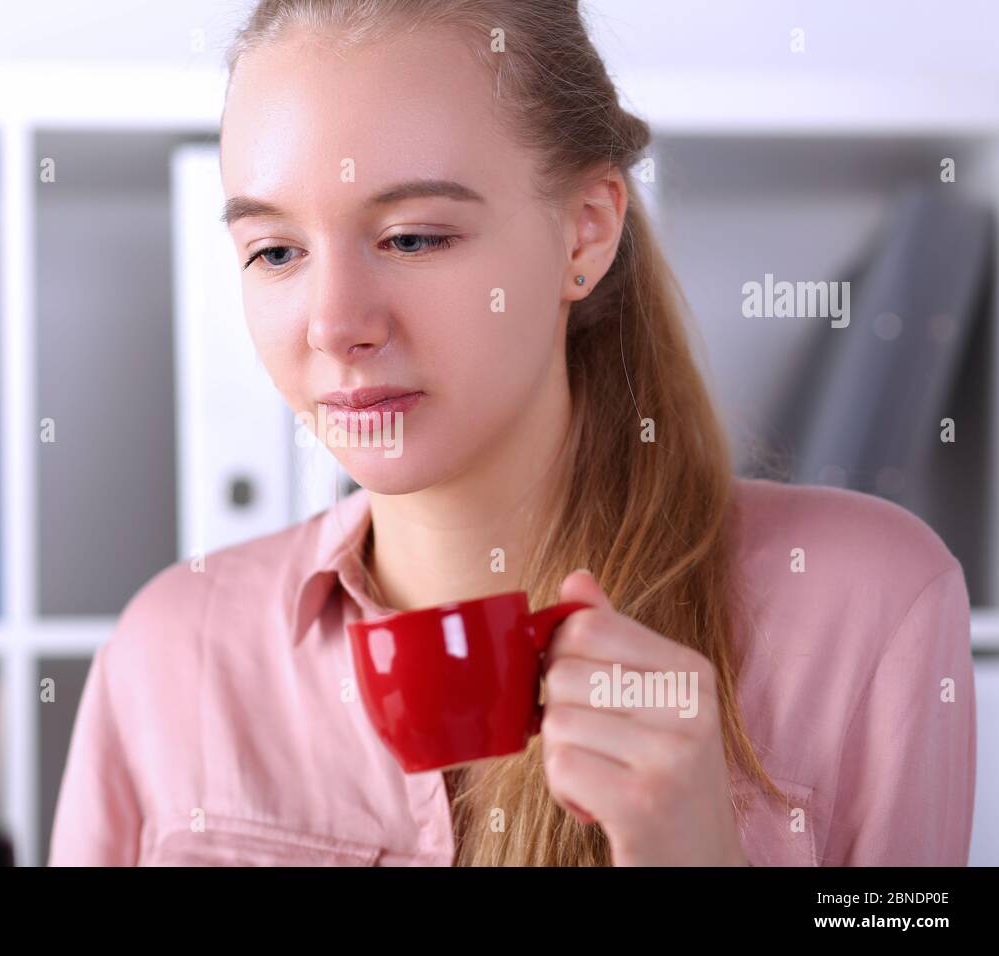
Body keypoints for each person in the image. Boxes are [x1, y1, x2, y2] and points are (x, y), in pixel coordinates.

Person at [49, 0, 976, 866]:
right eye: (276, 252)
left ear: (584, 233)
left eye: (413, 238)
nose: (335, 325)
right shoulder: (167, 655)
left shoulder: (868, 606)